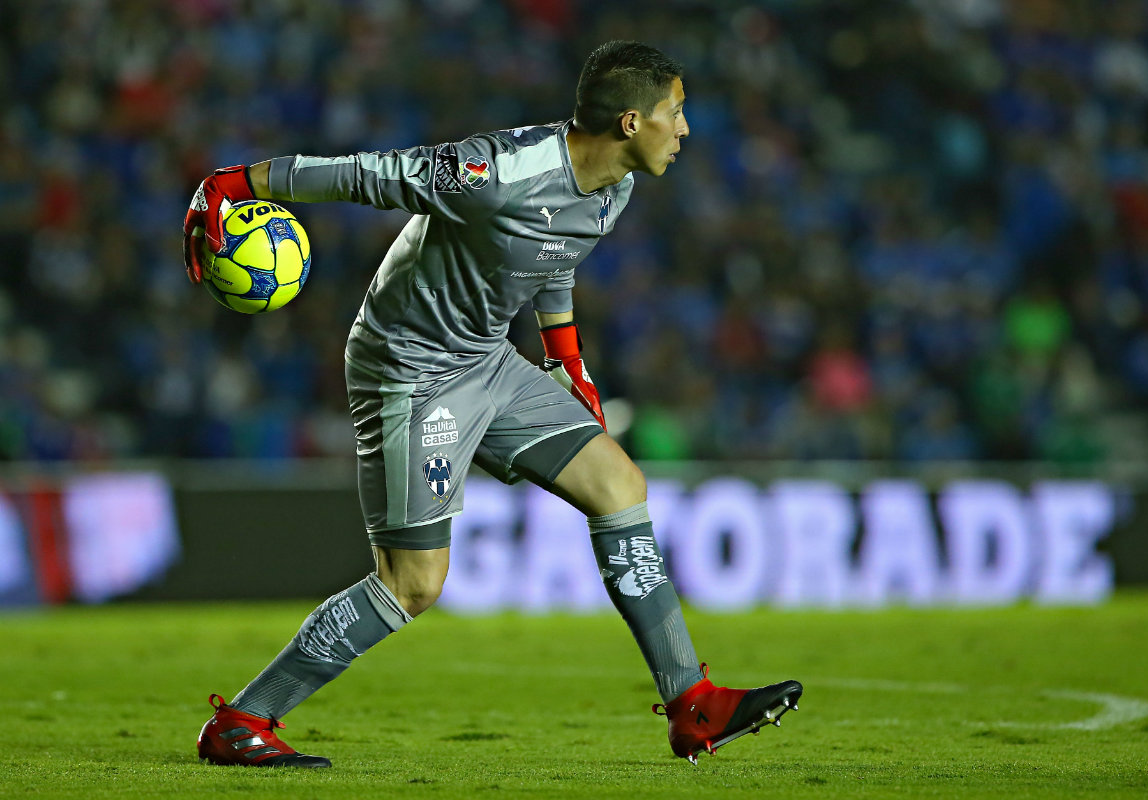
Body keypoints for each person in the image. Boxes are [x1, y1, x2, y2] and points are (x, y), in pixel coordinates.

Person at [185, 40, 801, 768]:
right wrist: (235, 182)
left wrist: (566, 360)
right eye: (678, 113)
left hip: (488, 359)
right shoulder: (494, 171)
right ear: (632, 122)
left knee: (619, 486)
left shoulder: (616, 185)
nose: (687, 129)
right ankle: (245, 720)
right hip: (409, 368)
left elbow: (552, 259)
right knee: (412, 583)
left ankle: (692, 704)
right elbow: (365, 174)